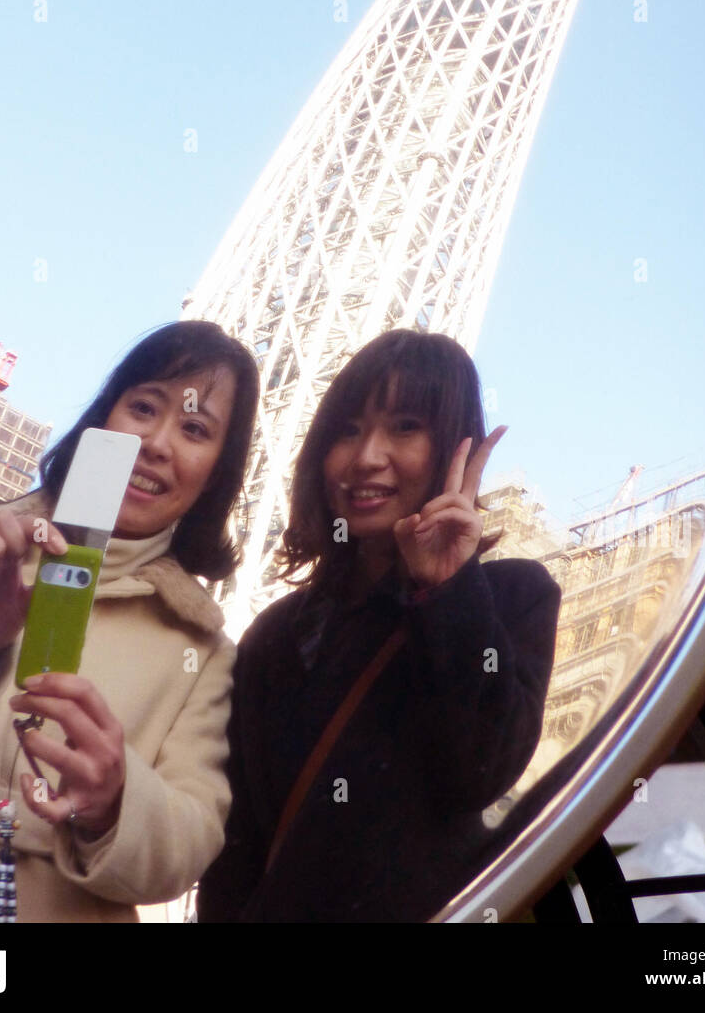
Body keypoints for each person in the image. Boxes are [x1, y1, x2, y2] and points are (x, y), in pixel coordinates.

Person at [0, 320, 259, 922]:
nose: (158, 443)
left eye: (196, 429)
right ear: (102, 418)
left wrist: (117, 801)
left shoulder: (202, 649)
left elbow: (188, 850)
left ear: (216, 475)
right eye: (144, 406)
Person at [197, 328, 561, 923]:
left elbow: (478, 771)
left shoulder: (511, 597)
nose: (366, 456)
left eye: (405, 427)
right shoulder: (276, 635)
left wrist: (445, 590)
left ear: (456, 448)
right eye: (347, 431)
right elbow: (234, 850)